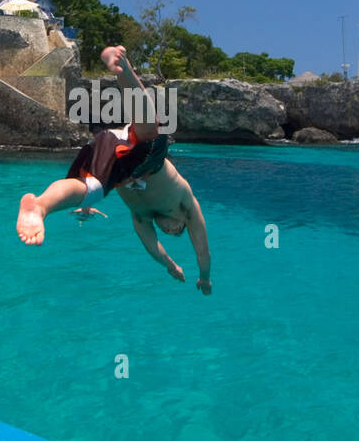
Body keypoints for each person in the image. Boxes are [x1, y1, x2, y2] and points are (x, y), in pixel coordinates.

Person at [15, 45, 212, 295]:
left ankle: (39, 206)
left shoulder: (141, 219)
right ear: (183, 221)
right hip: (148, 161)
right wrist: (205, 277)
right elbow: (203, 249)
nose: (171, 231)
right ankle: (124, 70)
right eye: (178, 230)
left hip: (115, 160)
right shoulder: (188, 207)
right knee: (152, 134)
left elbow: (153, 248)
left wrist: (170, 265)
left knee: (90, 188)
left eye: (170, 234)